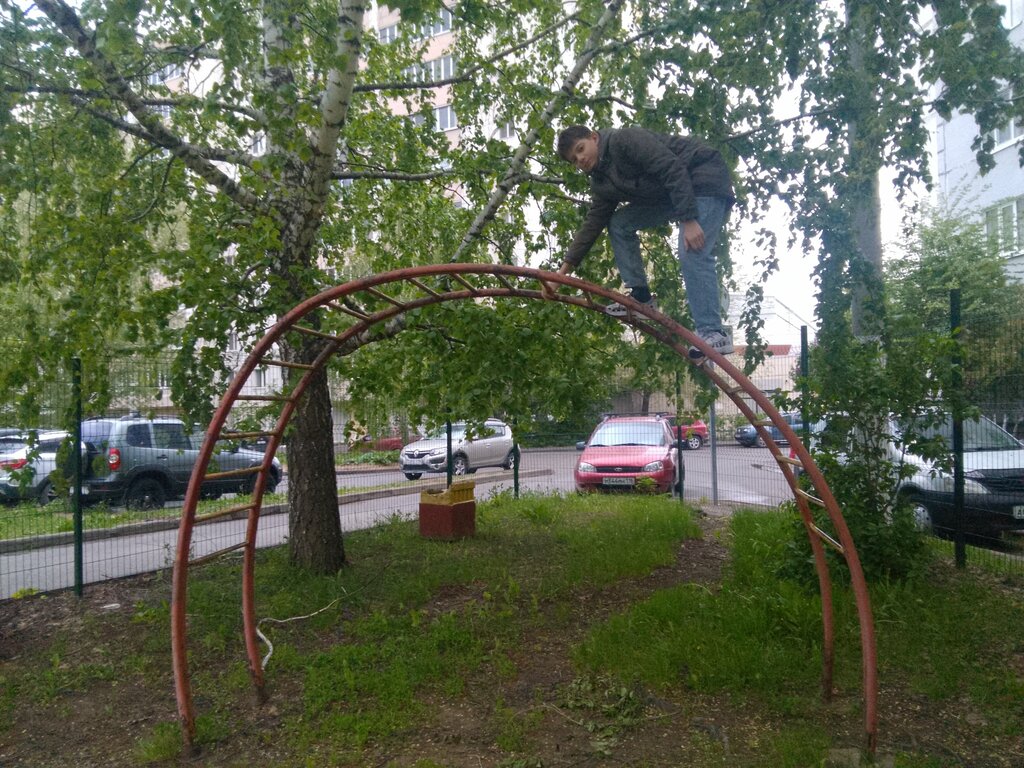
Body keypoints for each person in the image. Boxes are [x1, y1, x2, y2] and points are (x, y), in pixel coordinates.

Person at [543, 124, 735, 358]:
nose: (580, 159)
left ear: (594, 137)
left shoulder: (625, 140)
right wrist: (560, 276)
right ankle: (642, 299)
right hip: (672, 194)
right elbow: (592, 225)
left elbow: (671, 168)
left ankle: (713, 333)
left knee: (692, 250)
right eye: (574, 159)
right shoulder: (601, 182)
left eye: (581, 149)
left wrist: (689, 220)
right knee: (619, 223)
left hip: (702, 177)